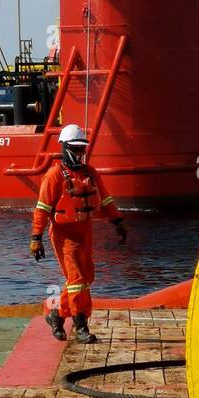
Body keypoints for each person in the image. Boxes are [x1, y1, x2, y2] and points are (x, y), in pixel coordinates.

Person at [29, 125, 126, 344]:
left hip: (85, 231)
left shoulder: (90, 173)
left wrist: (117, 221)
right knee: (76, 280)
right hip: (64, 235)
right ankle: (81, 325)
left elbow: (106, 199)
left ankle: (56, 314)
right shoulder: (54, 176)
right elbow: (42, 208)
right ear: (65, 148)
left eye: (82, 149)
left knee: (87, 277)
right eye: (76, 149)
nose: (80, 153)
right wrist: (36, 237)